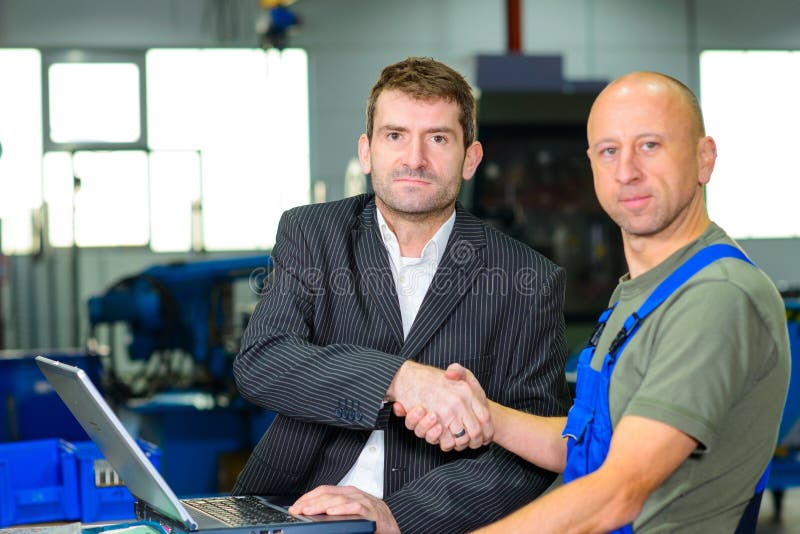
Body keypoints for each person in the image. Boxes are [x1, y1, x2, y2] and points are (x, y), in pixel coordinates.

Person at [404, 71, 791, 532]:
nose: (626, 171)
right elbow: (591, 444)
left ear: (704, 159)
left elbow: (617, 493)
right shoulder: (640, 292)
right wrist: (485, 413)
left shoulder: (716, 296)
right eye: (610, 151)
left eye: (650, 145)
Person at [232, 56, 571, 534]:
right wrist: (400, 379)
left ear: (470, 158)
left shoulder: (527, 277)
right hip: (293, 507)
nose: (415, 159)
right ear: (367, 151)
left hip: (436, 522)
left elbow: (532, 452)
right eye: (395, 136)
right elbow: (263, 362)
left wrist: (399, 516)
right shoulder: (312, 233)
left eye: (437, 138)